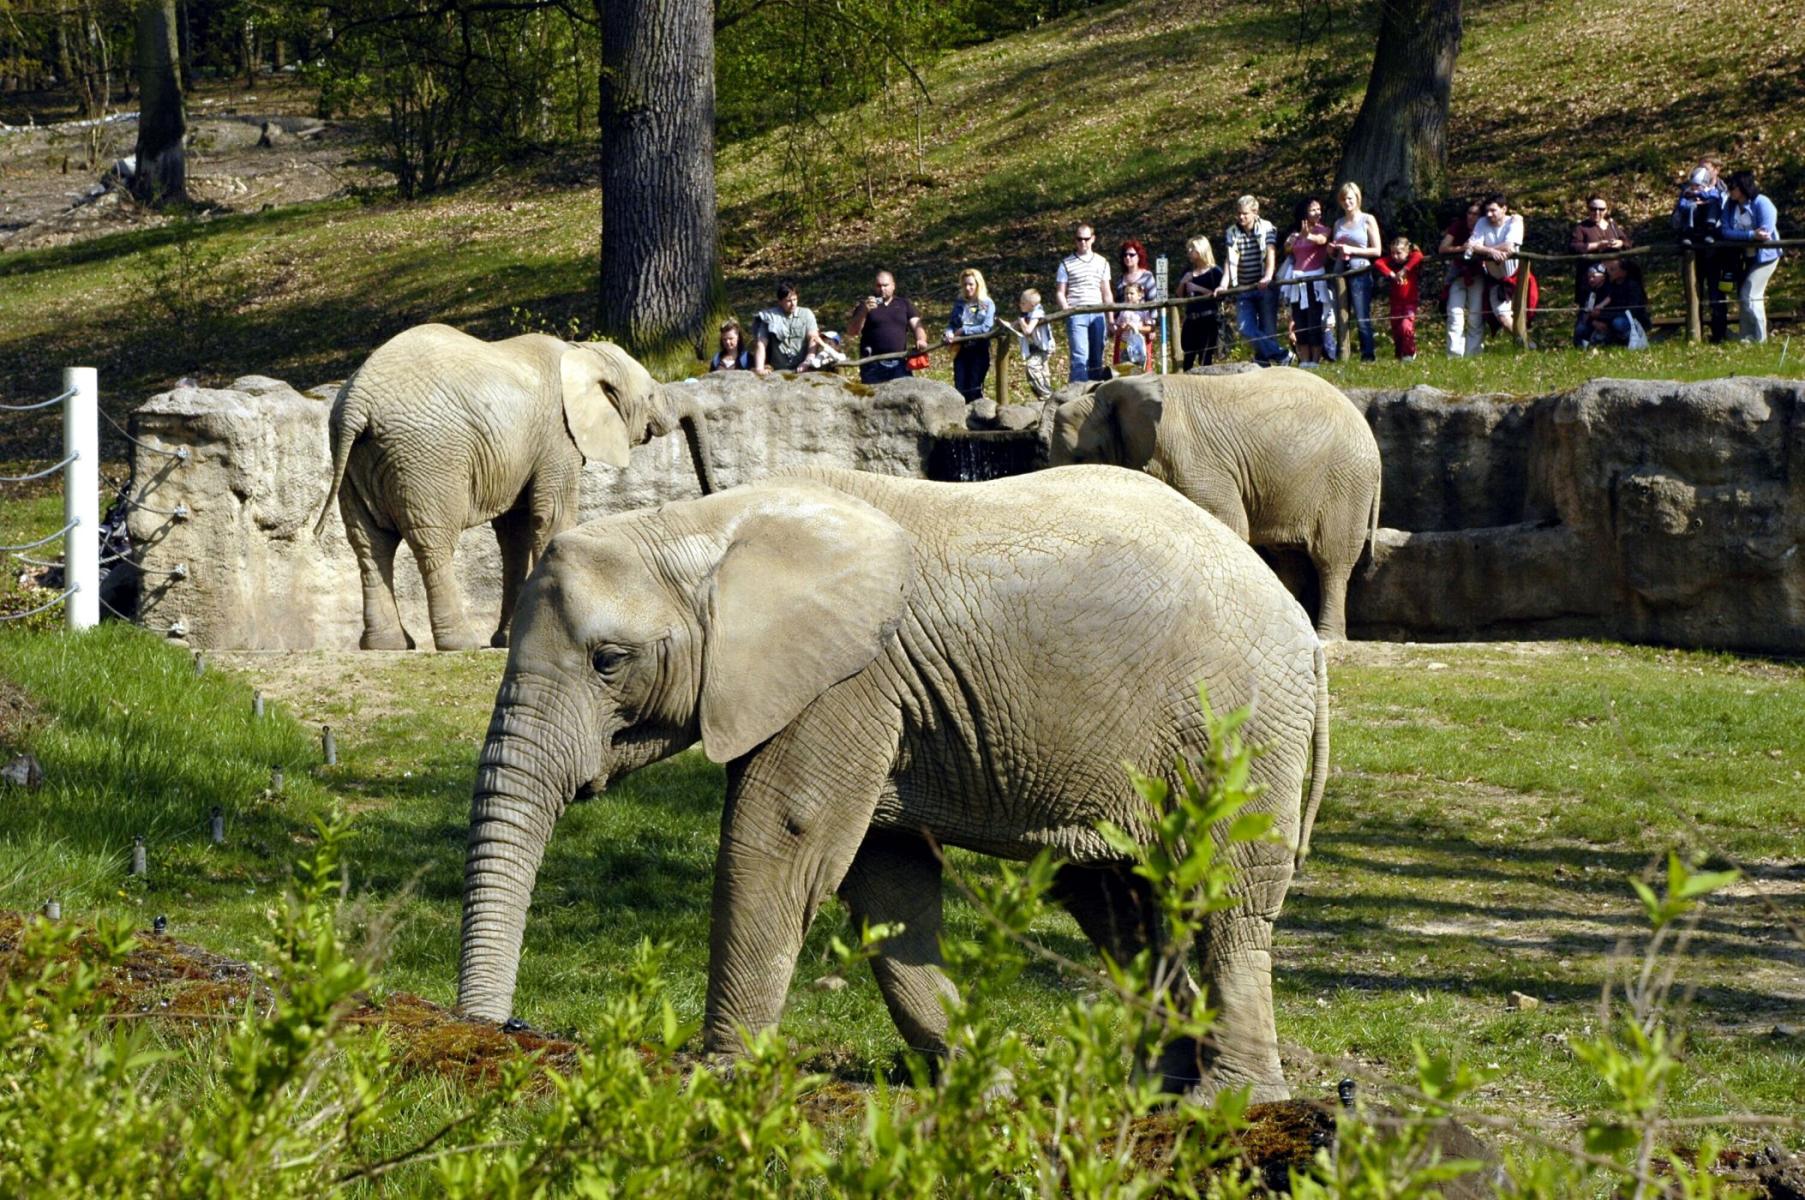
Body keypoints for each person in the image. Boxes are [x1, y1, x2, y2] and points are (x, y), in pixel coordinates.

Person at [1216, 195, 1287, 366]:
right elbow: (1229, 260)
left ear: (1255, 212)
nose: (1241, 217)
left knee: (1268, 330)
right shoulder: (1232, 232)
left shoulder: (1267, 227)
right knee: (1245, 328)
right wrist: (1224, 284)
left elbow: (1270, 252)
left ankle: (1265, 367)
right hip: (1244, 288)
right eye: (1239, 213)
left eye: (1245, 214)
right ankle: (1282, 354)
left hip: (1264, 287)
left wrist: (1268, 276)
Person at [1673, 162, 1733, 342]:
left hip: (1715, 249)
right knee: (1693, 292)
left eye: (1708, 168)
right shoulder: (1687, 191)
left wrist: (1707, 202)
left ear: (1716, 170)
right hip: (1693, 250)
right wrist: (1689, 206)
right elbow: (1675, 219)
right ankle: (1694, 334)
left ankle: (1719, 334)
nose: (1704, 171)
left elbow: (1727, 218)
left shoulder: (1724, 191)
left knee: (1716, 293)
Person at [1720, 170, 1782, 343]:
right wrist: (1750, 235)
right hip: (1744, 257)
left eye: (1733, 188)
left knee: (1751, 293)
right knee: (1743, 296)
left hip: (1765, 257)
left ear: (1743, 187)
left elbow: (1765, 233)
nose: (1730, 191)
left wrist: (1748, 236)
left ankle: (1760, 338)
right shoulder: (1730, 205)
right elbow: (1725, 232)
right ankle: (1746, 336)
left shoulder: (1762, 203)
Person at [844, 269, 928, 384]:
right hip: (872, 364)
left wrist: (921, 339)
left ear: (893, 286)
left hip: (899, 361)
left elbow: (917, 326)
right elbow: (852, 331)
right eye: (878, 286)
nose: (882, 289)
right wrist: (864, 311)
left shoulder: (904, 304)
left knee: (903, 394)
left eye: (885, 285)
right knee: (873, 395)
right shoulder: (865, 305)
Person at [1330, 181, 1383, 361]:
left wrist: (1352, 250)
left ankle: (1367, 355)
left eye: (1350, 198)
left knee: (1361, 315)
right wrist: (1332, 251)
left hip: (1360, 271)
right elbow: (1337, 252)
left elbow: (1377, 251)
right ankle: (1342, 355)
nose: (1347, 202)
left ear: (1357, 198)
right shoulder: (1338, 223)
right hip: (1340, 272)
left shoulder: (1367, 219)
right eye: (1344, 199)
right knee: (1341, 315)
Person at [1462, 193, 1526, 345]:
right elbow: (1472, 246)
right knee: (1503, 317)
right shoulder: (1482, 222)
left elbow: (1509, 246)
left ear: (1504, 209)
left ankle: (1528, 346)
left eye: (1493, 210)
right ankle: (1526, 344)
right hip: (1496, 280)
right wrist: (1491, 252)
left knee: (1523, 315)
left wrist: (1484, 249)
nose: (1489, 214)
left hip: (1517, 277)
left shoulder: (1514, 221)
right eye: (1487, 211)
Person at [1056, 223, 1112, 383]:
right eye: (1079, 239)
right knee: (1080, 356)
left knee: (1097, 355)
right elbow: (1060, 292)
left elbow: (1106, 292)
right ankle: (1078, 391)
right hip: (1077, 313)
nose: (1083, 242)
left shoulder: (1102, 262)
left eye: (1086, 239)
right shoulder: (1066, 263)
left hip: (1098, 313)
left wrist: (1111, 319)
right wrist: (1067, 309)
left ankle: (1095, 390)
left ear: (1093, 239)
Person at [1282, 197, 1333, 366]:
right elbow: (1288, 250)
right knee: (1300, 320)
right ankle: (1304, 360)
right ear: (1305, 212)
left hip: (1315, 281)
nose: (1317, 213)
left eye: (1319, 209)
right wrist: (1290, 242)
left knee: (1314, 321)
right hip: (1297, 281)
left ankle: (1315, 360)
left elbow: (1322, 240)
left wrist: (1308, 236)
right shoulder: (1295, 232)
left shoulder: (1323, 229)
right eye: (1313, 210)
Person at [1439, 198, 1486, 356]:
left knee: (1475, 317)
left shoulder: (1485, 228)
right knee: (1455, 316)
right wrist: (1461, 248)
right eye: (1469, 213)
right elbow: (1443, 248)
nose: (1471, 217)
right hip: (1458, 274)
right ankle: (1454, 355)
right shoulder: (1458, 226)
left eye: (1476, 214)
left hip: (1478, 275)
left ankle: (1474, 354)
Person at [944, 267, 997, 401]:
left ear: (978, 284)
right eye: (965, 285)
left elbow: (986, 327)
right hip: (961, 351)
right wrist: (949, 332)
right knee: (960, 389)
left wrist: (964, 331)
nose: (968, 288)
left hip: (978, 351)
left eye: (971, 284)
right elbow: (952, 324)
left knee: (974, 389)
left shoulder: (987, 303)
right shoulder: (960, 303)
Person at [1568, 196, 1632, 305]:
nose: (1597, 212)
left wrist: (1619, 243)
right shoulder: (1581, 228)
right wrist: (1597, 245)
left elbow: (1627, 242)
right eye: (1593, 209)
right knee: (1589, 310)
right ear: (1588, 209)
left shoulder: (1612, 225)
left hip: (1612, 278)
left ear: (1606, 210)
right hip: (1590, 278)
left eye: (1601, 209)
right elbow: (1574, 247)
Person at [752, 281, 824, 375]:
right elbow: (761, 343)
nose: (793, 304)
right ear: (780, 302)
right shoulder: (768, 317)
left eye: (795, 299)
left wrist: (808, 361)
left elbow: (813, 338)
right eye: (789, 301)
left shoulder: (806, 314)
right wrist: (759, 368)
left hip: (803, 368)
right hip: (777, 370)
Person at [1174, 236, 1223, 369]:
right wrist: (1183, 282)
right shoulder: (1188, 272)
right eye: (1188, 249)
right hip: (1191, 320)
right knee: (1188, 358)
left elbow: (1219, 296)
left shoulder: (1215, 271)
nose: (1189, 252)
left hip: (1208, 320)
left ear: (1201, 250)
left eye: (1192, 249)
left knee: (1205, 359)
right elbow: (1179, 295)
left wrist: (1198, 288)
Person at [1373, 235, 1423, 361]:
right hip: (1395, 303)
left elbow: (1419, 256)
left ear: (1407, 251)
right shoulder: (1392, 262)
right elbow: (1378, 263)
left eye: (1399, 253)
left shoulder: (1411, 260)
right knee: (1397, 330)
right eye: (1392, 253)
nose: (1395, 256)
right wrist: (1391, 274)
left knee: (1406, 327)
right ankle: (1399, 355)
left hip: (1409, 302)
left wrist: (1405, 270)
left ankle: (1409, 354)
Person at [1589, 258, 1651, 348]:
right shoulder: (1610, 285)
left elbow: (1631, 312)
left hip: (1633, 320)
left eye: (1613, 269)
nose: (1609, 272)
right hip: (1612, 317)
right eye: (1609, 269)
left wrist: (1604, 315)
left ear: (1623, 272)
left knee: (1618, 323)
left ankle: (1628, 341)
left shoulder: (1632, 286)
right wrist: (1595, 318)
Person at [1011, 288, 1056, 399]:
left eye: (1023, 303)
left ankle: (1046, 393)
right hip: (1036, 347)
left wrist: (1021, 321)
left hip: (1043, 347)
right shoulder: (1028, 313)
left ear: (1031, 305)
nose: (1020, 305)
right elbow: (1015, 324)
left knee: (1032, 367)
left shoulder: (1037, 313)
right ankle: (1044, 396)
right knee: (1043, 371)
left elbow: (1028, 331)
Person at [1111, 281, 1155, 369]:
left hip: (1138, 345)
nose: (1128, 296)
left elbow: (1150, 328)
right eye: (1126, 294)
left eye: (1131, 293)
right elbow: (1118, 330)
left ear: (1139, 295)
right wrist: (1122, 328)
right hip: (1124, 344)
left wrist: (1136, 327)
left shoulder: (1143, 310)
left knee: (1138, 368)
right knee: (1125, 369)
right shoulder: (1123, 311)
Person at [1572, 261, 1610, 348]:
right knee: (1580, 328)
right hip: (1593, 322)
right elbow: (1586, 312)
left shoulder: (1610, 291)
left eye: (1594, 276)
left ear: (1603, 276)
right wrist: (1593, 322)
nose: (1591, 280)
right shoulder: (1590, 292)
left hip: (1607, 322)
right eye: (1589, 277)